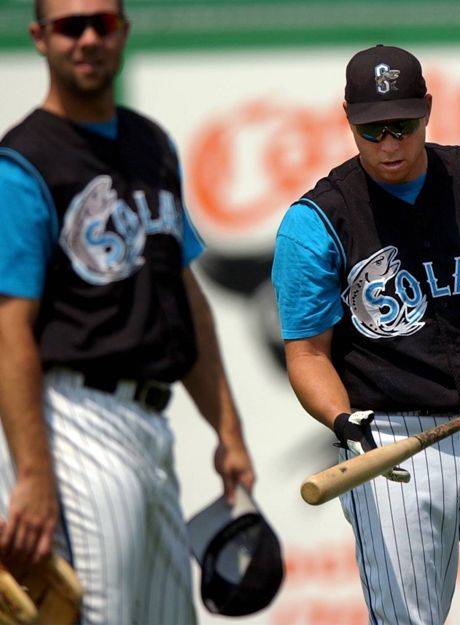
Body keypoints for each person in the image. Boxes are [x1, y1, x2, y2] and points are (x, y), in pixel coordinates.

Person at [272, 44, 460, 625]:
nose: (389, 143)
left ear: (428, 112)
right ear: (348, 120)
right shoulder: (316, 221)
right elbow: (308, 354)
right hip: (390, 442)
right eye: (373, 130)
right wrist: (343, 421)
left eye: (403, 125)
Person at [0, 0, 257, 623]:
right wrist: (32, 475)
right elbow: (9, 330)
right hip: (74, 419)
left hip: (151, 428)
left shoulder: (152, 145)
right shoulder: (24, 162)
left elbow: (187, 301)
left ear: (124, 32)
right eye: (70, 26)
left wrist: (226, 430)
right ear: (40, 38)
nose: (88, 38)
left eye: (102, 23)